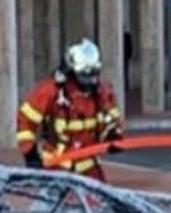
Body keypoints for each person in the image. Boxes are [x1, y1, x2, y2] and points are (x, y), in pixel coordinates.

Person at [16, 38, 125, 181]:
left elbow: (113, 118)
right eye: (84, 76)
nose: (90, 82)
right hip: (56, 167)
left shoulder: (101, 92)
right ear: (71, 70)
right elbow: (25, 120)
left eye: (93, 75)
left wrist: (113, 136)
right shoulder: (51, 91)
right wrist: (30, 152)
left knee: (99, 202)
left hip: (89, 168)